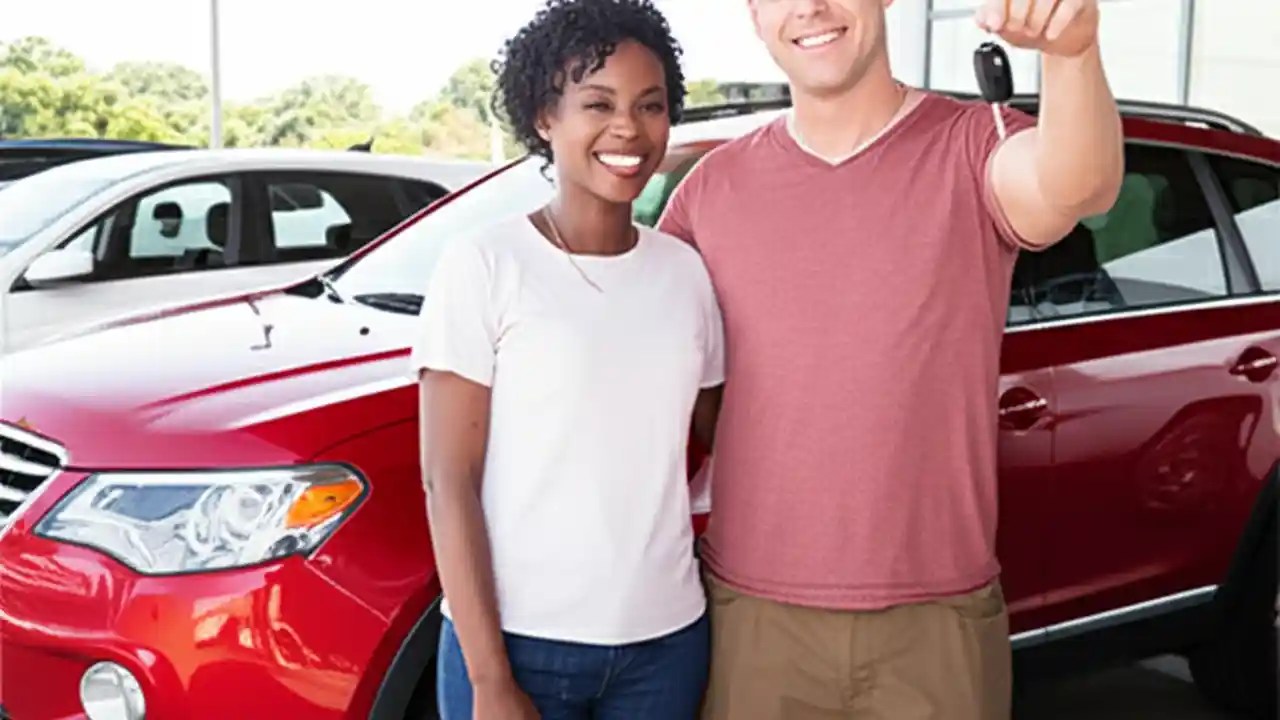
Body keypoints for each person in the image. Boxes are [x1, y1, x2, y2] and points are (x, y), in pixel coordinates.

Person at [658, 0, 1124, 718]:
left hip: (935, 619)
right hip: (754, 617)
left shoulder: (974, 146)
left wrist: (1071, 54)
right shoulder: (709, 192)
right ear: (754, 15)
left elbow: (1077, 187)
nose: (809, 7)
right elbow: (655, 366)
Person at [411, 1, 725, 718]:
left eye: (651, 105)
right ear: (544, 118)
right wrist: (490, 677)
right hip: (519, 644)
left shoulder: (685, 272)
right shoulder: (484, 263)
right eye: (598, 103)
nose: (628, 128)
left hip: (666, 645)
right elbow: (446, 480)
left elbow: (733, 439)